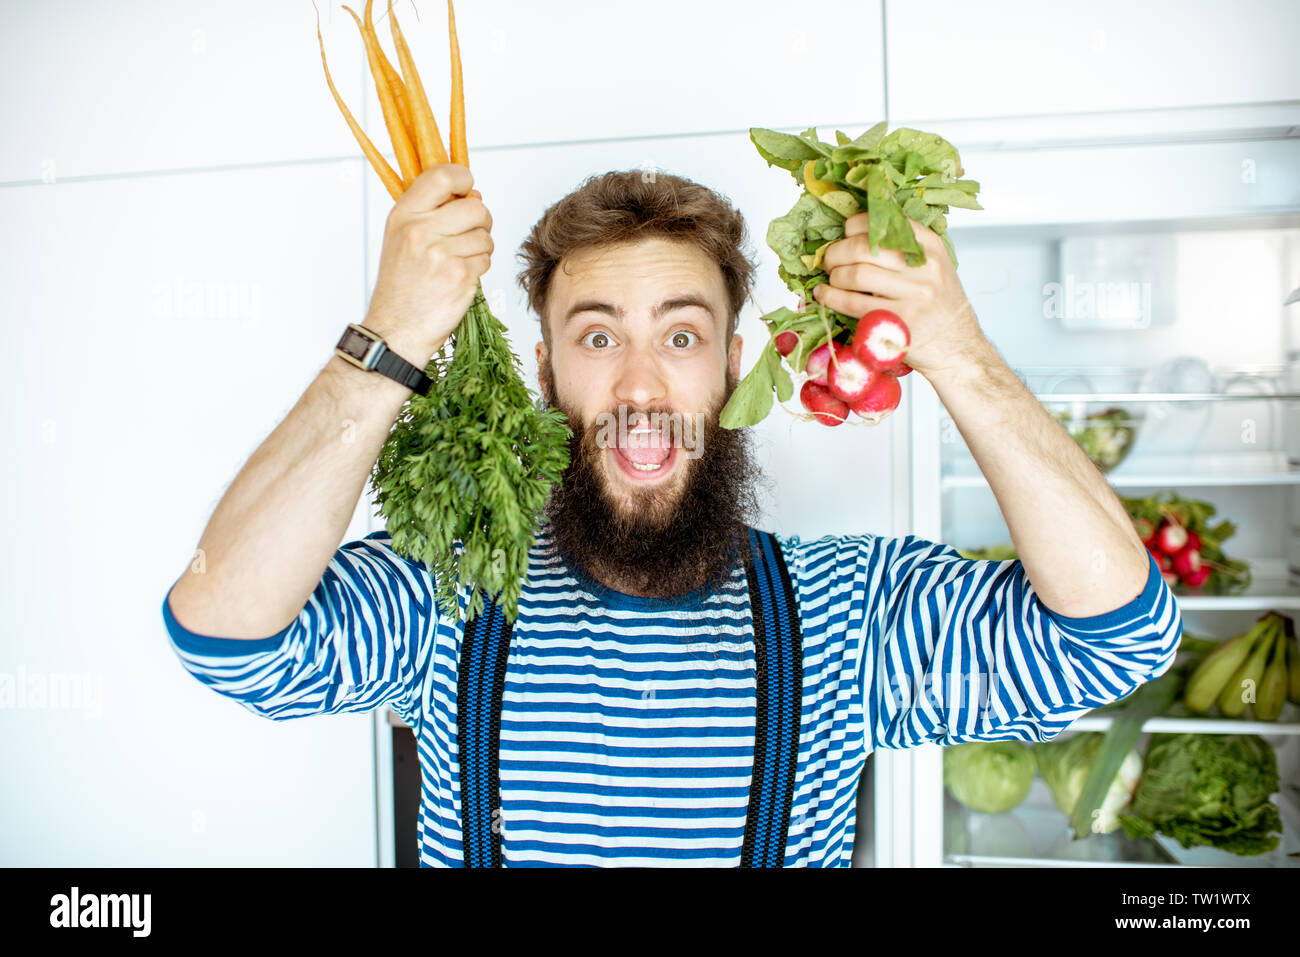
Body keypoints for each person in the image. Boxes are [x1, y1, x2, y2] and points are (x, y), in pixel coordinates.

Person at [162, 164, 1181, 867]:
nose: (642, 385)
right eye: (597, 340)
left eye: (682, 338)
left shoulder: (843, 613)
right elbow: (225, 633)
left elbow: (1116, 637)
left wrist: (952, 346)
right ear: (544, 374)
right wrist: (388, 339)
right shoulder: (452, 588)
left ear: (737, 369)